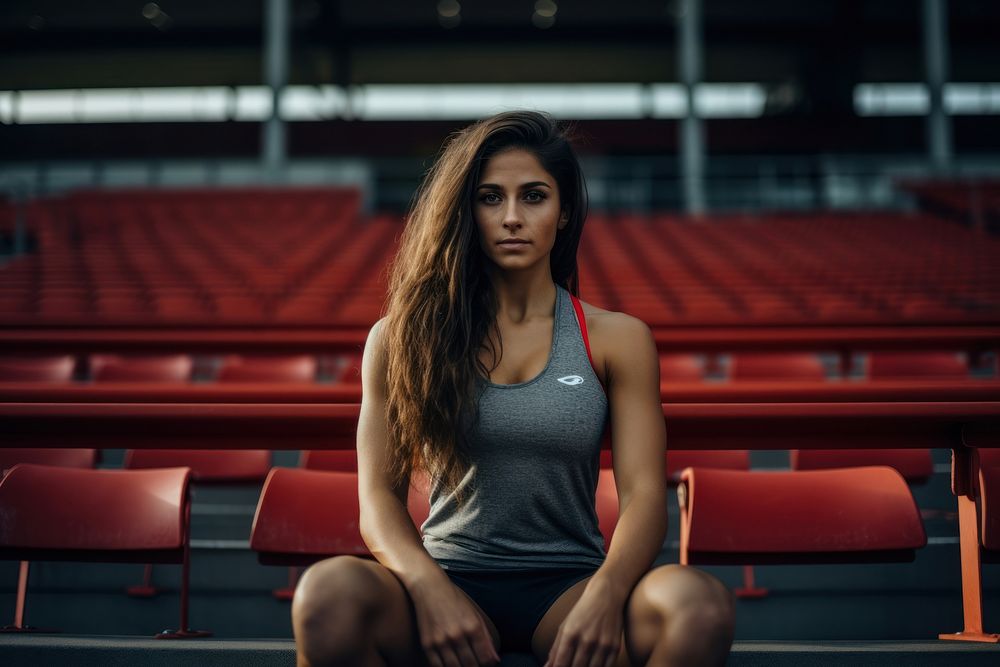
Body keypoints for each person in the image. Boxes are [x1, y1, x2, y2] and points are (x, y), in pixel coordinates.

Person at [292, 110, 735, 667]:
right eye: (489, 198)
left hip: (569, 587)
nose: (511, 218)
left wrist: (607, 594)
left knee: (698, 606)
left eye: (533, 196)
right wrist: (429, 590)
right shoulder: (400, 339)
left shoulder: (618, 339)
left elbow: (645, 496)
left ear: (564, 209)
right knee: (326, 594)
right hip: (445, 574)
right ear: (465, 210)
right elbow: (378, 499)